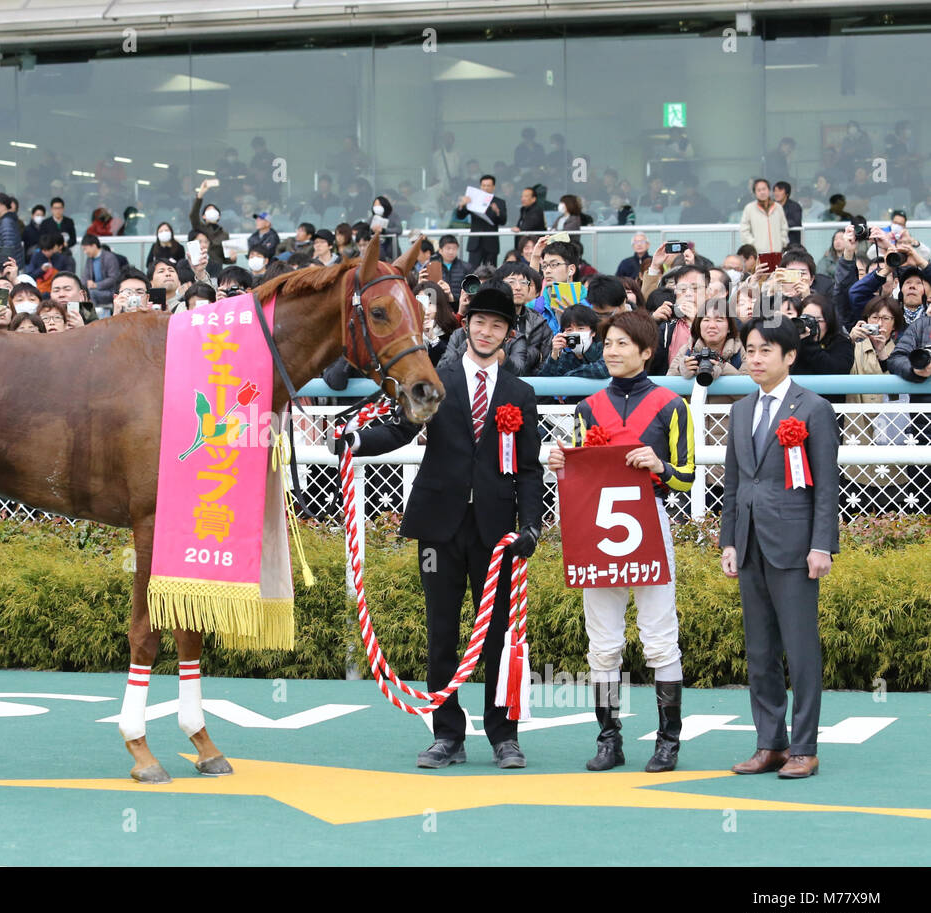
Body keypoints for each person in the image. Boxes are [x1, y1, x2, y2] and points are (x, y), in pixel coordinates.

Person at [334, 285, 542, 770]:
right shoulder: (435, 379)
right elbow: (399, 429)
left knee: (497, 637)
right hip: (439, 526)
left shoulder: (520, 394)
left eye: (498, 325)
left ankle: (503, 736)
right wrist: (356, 440)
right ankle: (447, 734)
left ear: (508, 335)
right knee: (441, 631)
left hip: (497, 533)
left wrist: (530, 526)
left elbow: (531, 469)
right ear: (465, 326)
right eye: (480, 322)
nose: (487, 332)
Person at [546, 310, 694, 773]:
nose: (611, 351)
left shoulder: (673, 405)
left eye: (622, 344)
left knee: (659, 639)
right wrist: (558, 462)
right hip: (597, 530)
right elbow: (574, 473)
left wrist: (659, 466)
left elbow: (687, 477)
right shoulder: (586, 408)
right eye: (607, 343)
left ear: (647, 352)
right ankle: (609, 739)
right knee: (603, 643)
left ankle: (668, 742)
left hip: (650, 524)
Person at [720, 316, 839, 780]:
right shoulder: (740, 410)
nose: (755, 357)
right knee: (760, 650)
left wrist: (821, 545)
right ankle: (769, 742)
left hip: (795, 545)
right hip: (749, 544)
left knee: (800, 648)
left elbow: (826, 486)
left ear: (790, 356)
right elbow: (732, 484)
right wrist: (728, 540)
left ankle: (804, 747)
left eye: (766, 350)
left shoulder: (814, 409)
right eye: (750, 349)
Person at [538, 303, 606, 378]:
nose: (575, 333)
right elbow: (545, 382)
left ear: (593, 332)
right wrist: (554, 354)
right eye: (569, 330)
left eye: (581, 328)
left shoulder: (604, 349)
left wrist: (570, 375)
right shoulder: (565, 358)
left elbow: (604, 369)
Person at [454, 174, 507, 267]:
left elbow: (503, 221)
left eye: (488, 186)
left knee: (490, 272)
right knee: (472, 271)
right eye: (483, 185)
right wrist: (462, 205)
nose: (485, 188)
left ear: (493, 187)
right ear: (480, 186)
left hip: (491, 243)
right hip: (475, 242)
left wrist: (497, 212)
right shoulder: (473, 199)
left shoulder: (499, 202)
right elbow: (460, 216)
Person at [739, 178, 789, 256]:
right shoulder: (749, 208)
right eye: (758, 190)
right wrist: (752, 244)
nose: (762, 192)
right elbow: (744, 230)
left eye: (764, 189)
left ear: (769, 190)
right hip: (758, 253)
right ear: (755, 193)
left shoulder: (778, 207)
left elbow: (784, 227)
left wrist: (782, 241)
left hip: (777, 251)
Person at [189, 180, 228, 265]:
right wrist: (200, 194)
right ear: (203, 216)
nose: (212, 211)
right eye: (208, 210)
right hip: (201, 265)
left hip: (217, 268)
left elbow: (225, 258)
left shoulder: (224, 234)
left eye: (214, 210)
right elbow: (193, 215)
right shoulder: (200, 228)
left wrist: (232, 258)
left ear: (219, 216)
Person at [79, 234, 120, 308]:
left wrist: (96, 285)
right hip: (94, 290)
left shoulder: (109, 257)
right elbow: (84, 276)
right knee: (81, 293)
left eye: (85, 249)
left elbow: (113, 278)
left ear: (94, 246)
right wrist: (86, 283)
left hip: (109, 292)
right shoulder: (89, 259)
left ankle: (93, 317)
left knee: (91, 293)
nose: (85, 252)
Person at [774, 182, 803, 247]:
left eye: (780, 190)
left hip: (791, 243)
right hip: (774, 243)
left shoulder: (795, 206)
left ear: (787, 193)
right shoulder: (771, 206)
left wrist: (779, 223)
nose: (776, 193)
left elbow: (796, 222)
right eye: (775, 191)